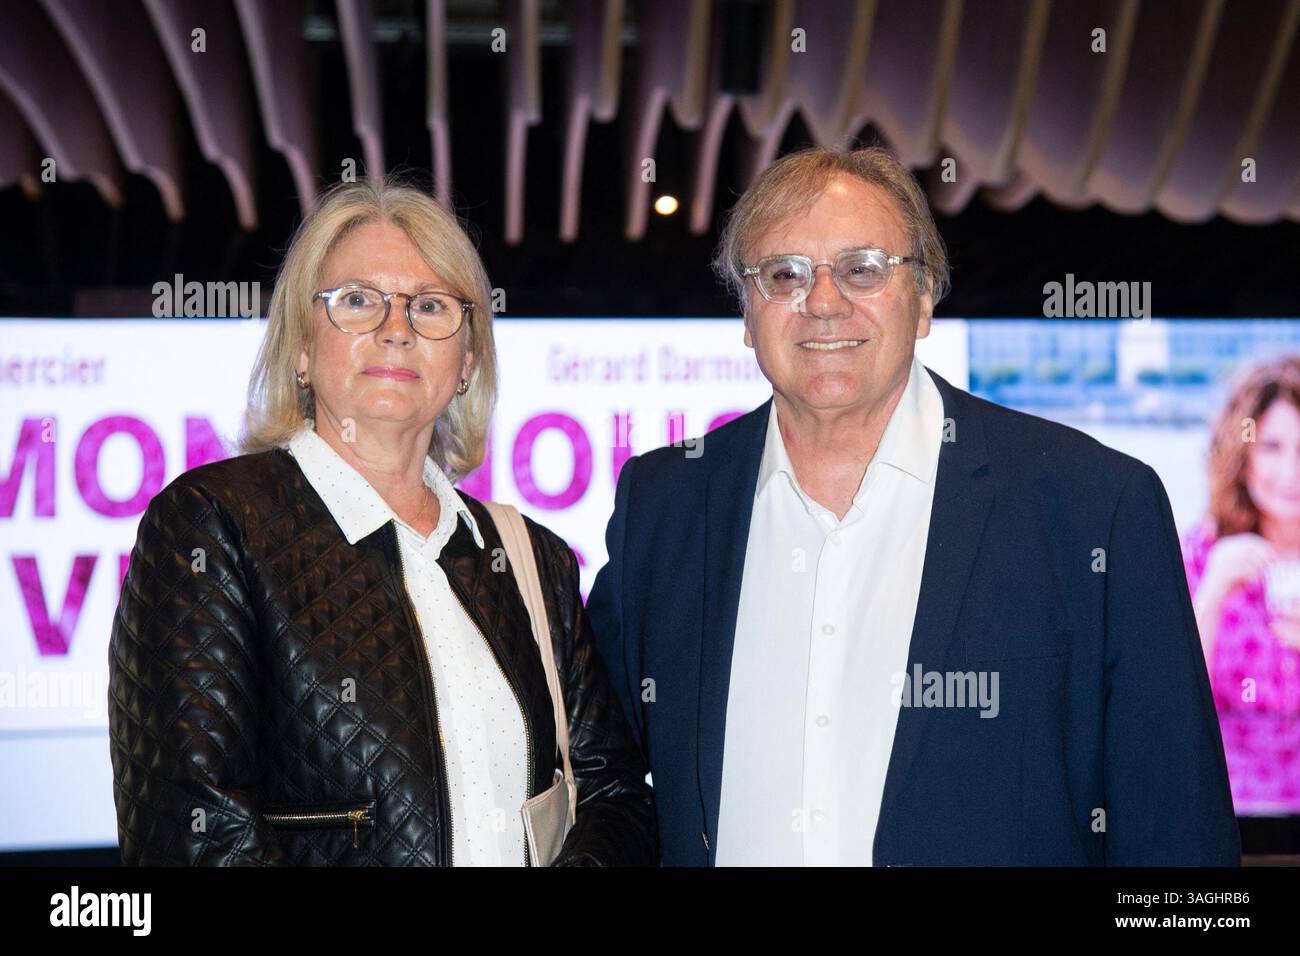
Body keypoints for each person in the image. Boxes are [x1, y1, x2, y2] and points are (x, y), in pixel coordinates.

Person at [585, 145, 1240, 866]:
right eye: (784, 274)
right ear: (748, 310)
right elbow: (596, 772)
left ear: (924, 296)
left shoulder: (1094, 506)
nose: (823, 302)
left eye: (863, 268)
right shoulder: (667, 507)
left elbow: (1180, 837)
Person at [107, 177, 656, 866]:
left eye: (429, 306)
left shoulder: (529, 559)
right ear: (301, 350)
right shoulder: (212, 527)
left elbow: (614, 795)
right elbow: (195, 831)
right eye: (358, 301)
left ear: (465, 363)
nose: (396, 329)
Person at [1183, 355, 1300, 813]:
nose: (1291, 471)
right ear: (1242, 455)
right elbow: (1159, 710)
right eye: (1271, 446)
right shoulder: (1196, 554)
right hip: (1224, 814)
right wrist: (1211, 595)